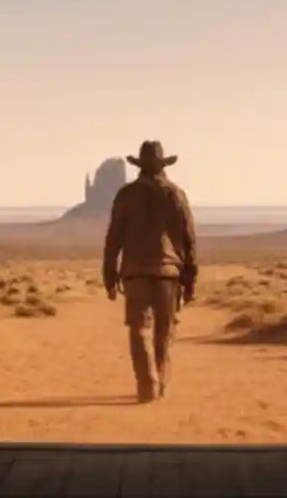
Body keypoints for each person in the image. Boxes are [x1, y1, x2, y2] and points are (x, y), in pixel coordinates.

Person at [102, 140, 198, 403]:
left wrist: (109, 275)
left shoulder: (126, 194)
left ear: (139, 166)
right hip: (169, 272)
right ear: (163, 165)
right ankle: (161, 381)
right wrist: (190, 280)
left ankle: (147, 384)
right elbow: (189, 239)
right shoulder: (176, 194)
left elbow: (114, 237)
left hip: (135, 272)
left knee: (139, 329)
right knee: (165, 330)